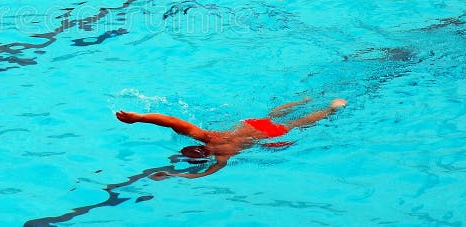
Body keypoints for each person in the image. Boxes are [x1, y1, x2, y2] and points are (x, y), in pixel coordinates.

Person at [116, 97, 347, 180]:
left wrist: (173, 174)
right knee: (277, 117)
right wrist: (139, 117)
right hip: (254, 126)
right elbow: (173, 121)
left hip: (265, 134)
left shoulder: (221, 152)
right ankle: (305, 102)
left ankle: (328, 109)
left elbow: (203, 174)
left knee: (295, 123)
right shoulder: (212, 140)